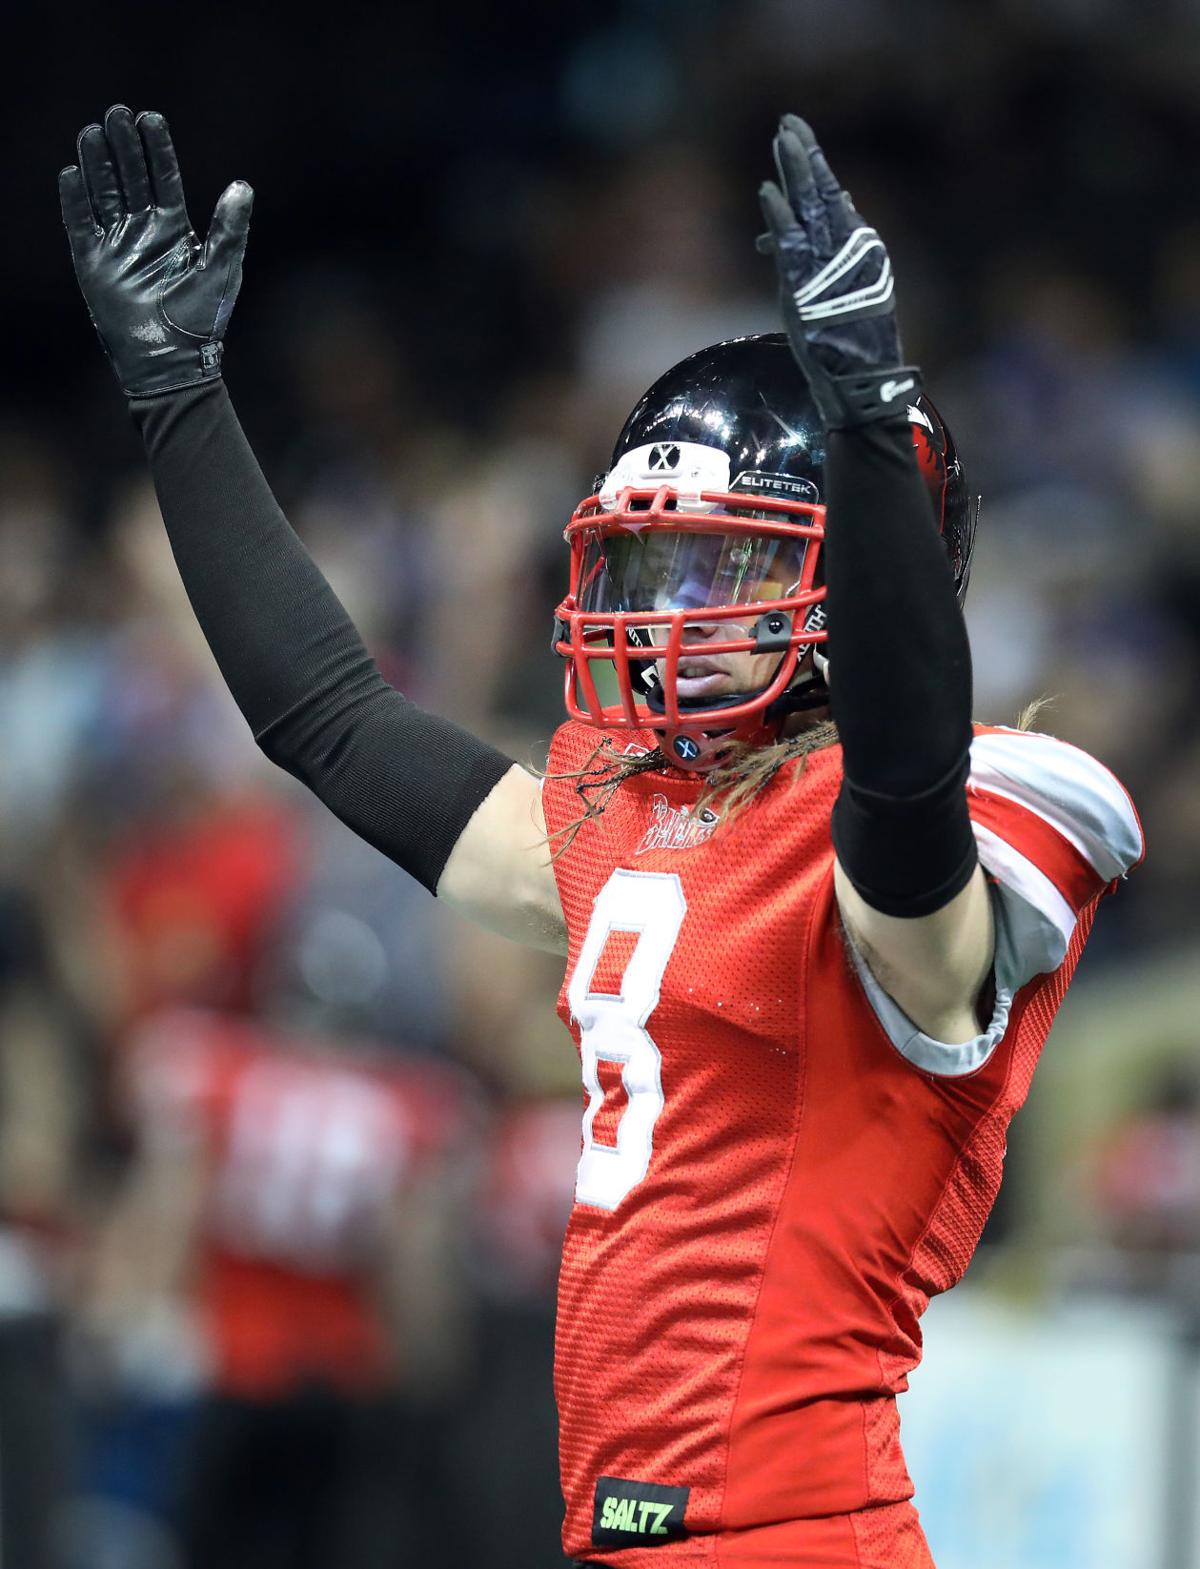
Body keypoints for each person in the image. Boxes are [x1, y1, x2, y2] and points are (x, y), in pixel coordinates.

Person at [59, 106, 1143, 1568]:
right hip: (631, 1529)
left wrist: (873, 427)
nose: (669, 608)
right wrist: (179, 396)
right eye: (651, 563)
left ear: (853, 576)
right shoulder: (638, 812)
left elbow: (900, 801)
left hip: (788, 1535)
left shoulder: (924, 850)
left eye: (722, 562)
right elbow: (332, 722)